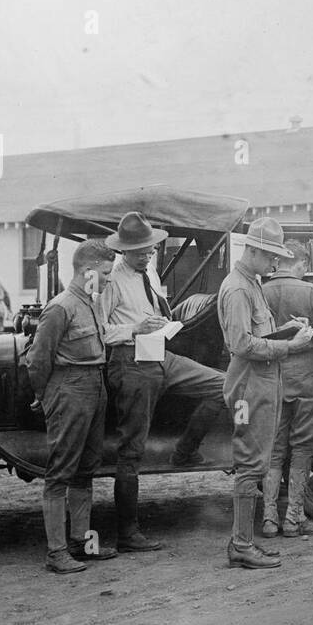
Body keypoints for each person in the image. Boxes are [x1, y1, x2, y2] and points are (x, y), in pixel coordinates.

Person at [100, 211, 227, 553]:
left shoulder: (149, 269)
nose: (146, 255)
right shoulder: (110, 280)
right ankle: (128, 532)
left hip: (159, 354)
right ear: (123, 251)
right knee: (132, 449)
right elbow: (97, 331)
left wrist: (160, 324)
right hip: (130, 362)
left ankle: (184, 452)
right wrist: (133, 329)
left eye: (150, 249)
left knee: (224, 386)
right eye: (139, 251)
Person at [218, 218, 313, 568]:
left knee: (256, 462)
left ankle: (243, 542)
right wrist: (291, 345)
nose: (275, 264)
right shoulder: (240, 289)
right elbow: (241, 343)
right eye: (271, 256)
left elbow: (260, 333)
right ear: (254, 250)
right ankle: (241, 545)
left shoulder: (252, 283)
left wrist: (288, 329)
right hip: (249, 385)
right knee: (249, 465)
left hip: (258, 382)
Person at [25, 239, 119, 574]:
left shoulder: (91, 302)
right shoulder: (61, 307)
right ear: (86, 271)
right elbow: (38, 360)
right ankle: (56, 552)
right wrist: (47, 396)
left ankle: (82, 542)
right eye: (105, 273)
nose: (109, 279)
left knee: (87, 467)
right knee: (61, 470)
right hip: (70, 389)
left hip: (94, 387)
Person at [260, 240, 313, 538]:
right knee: (303, 447)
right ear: (300, 263)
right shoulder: (312, 292)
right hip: (307, 379)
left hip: (273, 376)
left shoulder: (260, 291)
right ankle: (294, 519)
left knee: (274, 450)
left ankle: (268, 519)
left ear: (277, 262)